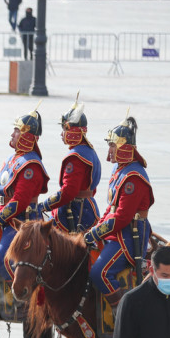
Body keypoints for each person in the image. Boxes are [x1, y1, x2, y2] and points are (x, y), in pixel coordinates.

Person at [85, 116, 153, 307]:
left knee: (99, 273)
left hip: (129, 236)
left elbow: (122, 217)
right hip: (116, 231)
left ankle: (122, 313)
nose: (109, 150)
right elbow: (111, 207)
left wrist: (96, 233)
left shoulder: (133, 176)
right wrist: (96, 229)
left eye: (113, 145)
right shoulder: (120, 169)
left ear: (124, 147)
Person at [0, 109, 49, 281]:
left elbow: (19, 201)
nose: (12, 134)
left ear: (27, 135)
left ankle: (19, 300)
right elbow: (1, 194)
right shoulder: (13, 158)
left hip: (22, 222)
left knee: (2, 259)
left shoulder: (31, 165)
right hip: (6, 217)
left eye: (17, 130)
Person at [38, 96, 101, 234]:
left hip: (75, 213)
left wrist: (44, 205)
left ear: (74, 130)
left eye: (65, 129)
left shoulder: (76, 157)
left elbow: (68, 192)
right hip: (88, 207)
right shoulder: (89, 151)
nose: (62, 134)